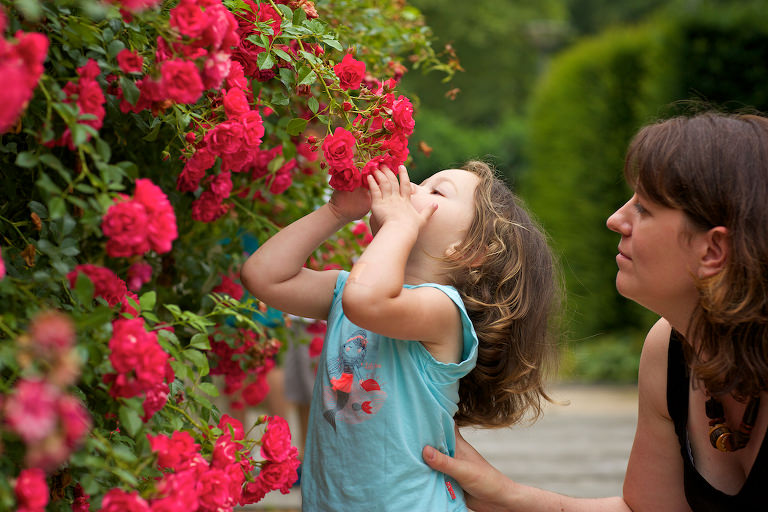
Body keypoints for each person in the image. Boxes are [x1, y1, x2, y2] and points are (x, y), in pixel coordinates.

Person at [422, 112, 768, 511]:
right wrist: (504, 494)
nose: (616, 219)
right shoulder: (669, 347)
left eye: (645, 208)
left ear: (713, 251)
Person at [240, 161, 560, 511]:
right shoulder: (351, 290)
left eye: (436, 191)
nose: (411, 188)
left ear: (470, 251)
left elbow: (366, 301)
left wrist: (397, 224)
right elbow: (263, 277)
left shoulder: (444, 311)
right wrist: (336, 212)